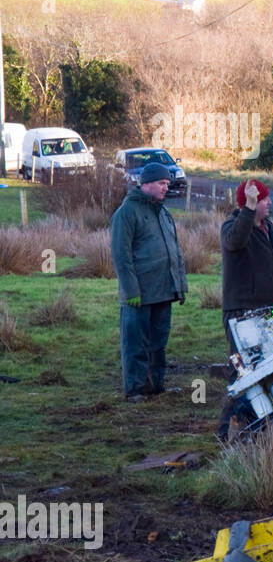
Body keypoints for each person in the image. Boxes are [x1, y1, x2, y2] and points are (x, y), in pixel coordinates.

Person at [110, 162, 188, 401]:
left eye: (167, 183)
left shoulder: (164, 213)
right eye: (161, 183)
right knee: (136, 344)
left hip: (164, 291)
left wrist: (180, 286)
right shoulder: (127, 212)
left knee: (158, 344)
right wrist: (131, 289)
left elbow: (175, 252)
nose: (166, 187)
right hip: (139, 295)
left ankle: (155, 386)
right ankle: (135, 390)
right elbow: (121, 255)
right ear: (146, 184)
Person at [216, 179, 273, 440]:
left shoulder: (270, 229)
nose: (269, 203)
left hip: (267, 312)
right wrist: (249, 208)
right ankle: (225, 432)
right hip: (241, 313)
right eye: (264, 199)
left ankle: (257, 425)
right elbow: (235, 242)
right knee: (242, 373)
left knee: (267, 369)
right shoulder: (232, 226)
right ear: (252, 203)